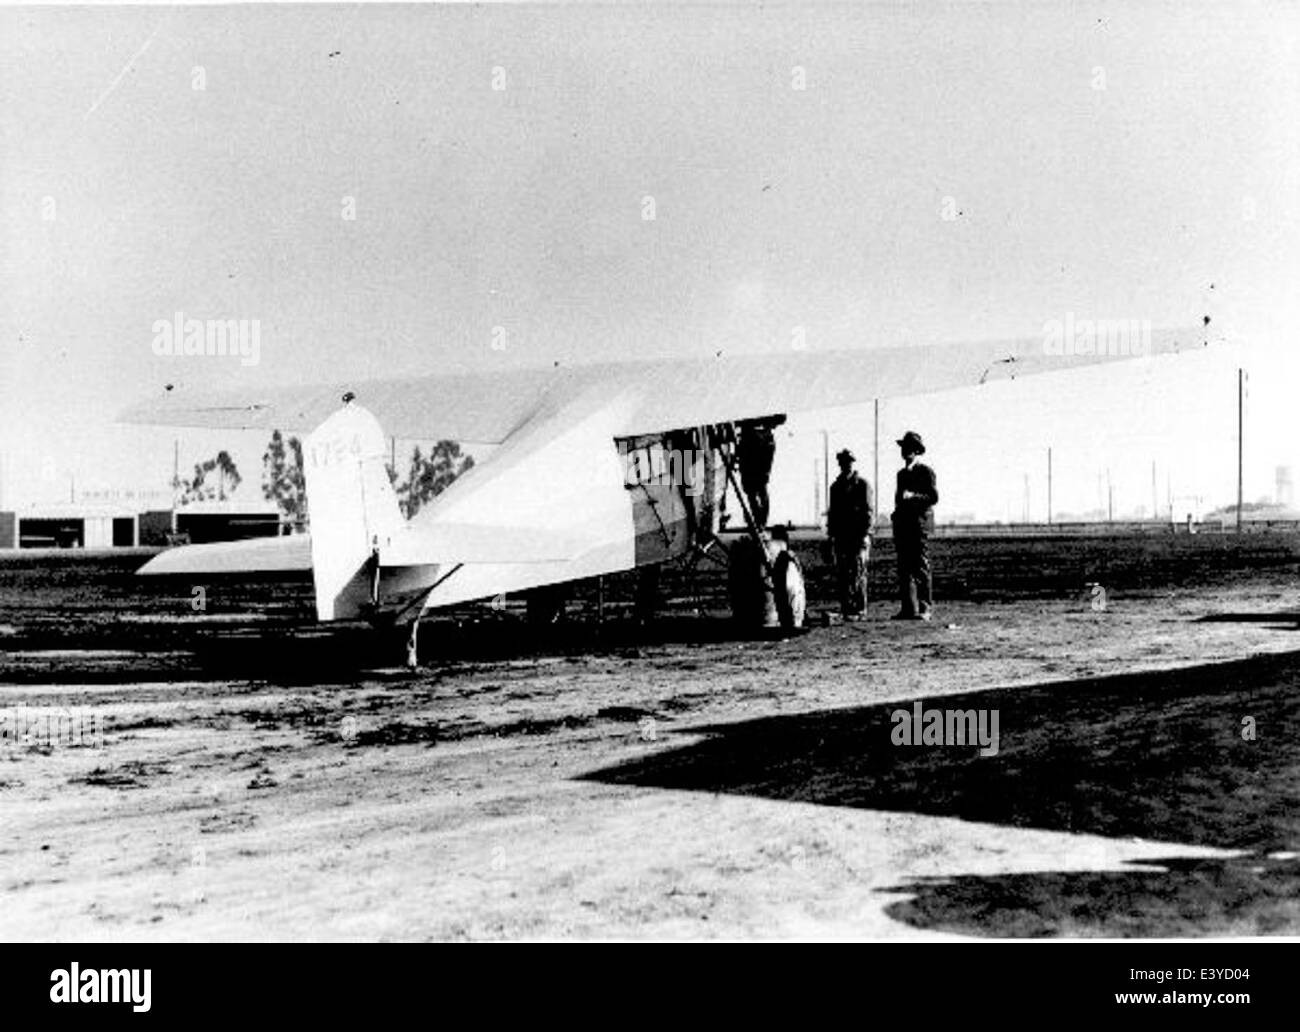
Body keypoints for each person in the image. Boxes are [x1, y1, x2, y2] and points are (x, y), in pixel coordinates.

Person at [891, 430, 938, 621]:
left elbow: (933, 497)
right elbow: (898, 501)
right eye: (903, 448)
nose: (905, 452)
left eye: (909, 449)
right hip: (903, 526)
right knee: (904, 568)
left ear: (916, 451)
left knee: (920, 567)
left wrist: (914, 497)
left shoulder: (926, 472)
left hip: (919, 526)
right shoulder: (901, 474)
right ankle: (908, 608)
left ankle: (925, 608)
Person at [827, 448, 873, 620]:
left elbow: (868, 512)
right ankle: (847, 608)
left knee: (858, 571)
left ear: (853, 463)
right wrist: (831, 537)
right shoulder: (835, 487)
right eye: (843, 462)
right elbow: (833, 514)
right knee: (844, 573)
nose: (846, 465)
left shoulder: (862, 484)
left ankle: (860, 609)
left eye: (849, 462)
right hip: (841, 537)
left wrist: (865, 534)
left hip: (858, 535)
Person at [737, 416, 784, 528]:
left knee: (754, 493)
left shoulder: (761, 437)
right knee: (756, 493)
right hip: (756, 468)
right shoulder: (766, 437)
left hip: (754, 468)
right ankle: (758, 522)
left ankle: (758, 521)